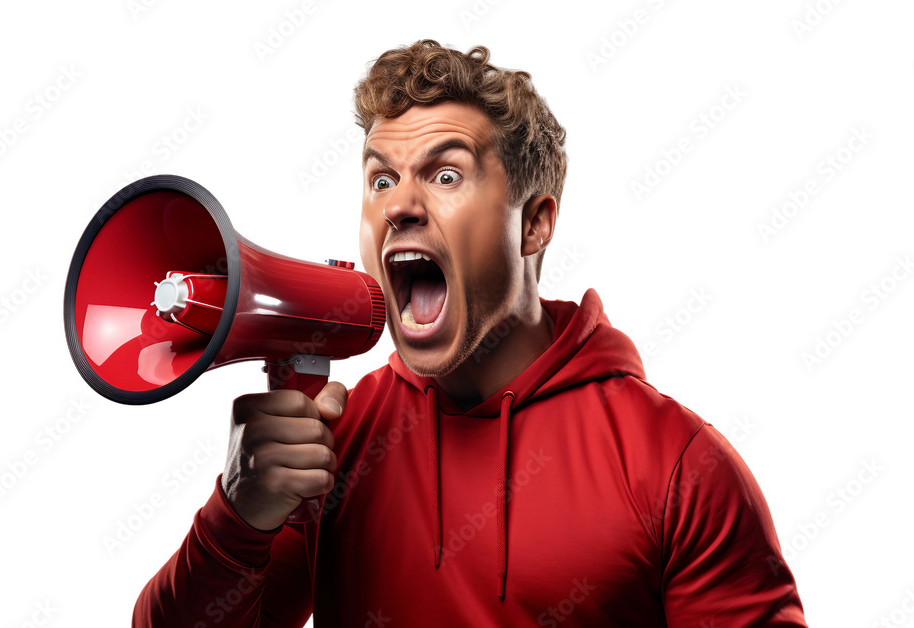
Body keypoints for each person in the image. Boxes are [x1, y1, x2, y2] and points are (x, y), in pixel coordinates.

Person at [133, 40, 807, 627]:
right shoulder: (337, 441)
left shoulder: (677, 465)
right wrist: (239, 516)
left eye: (446, 174)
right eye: (381, 178)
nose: (398, 205)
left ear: (535, 222)